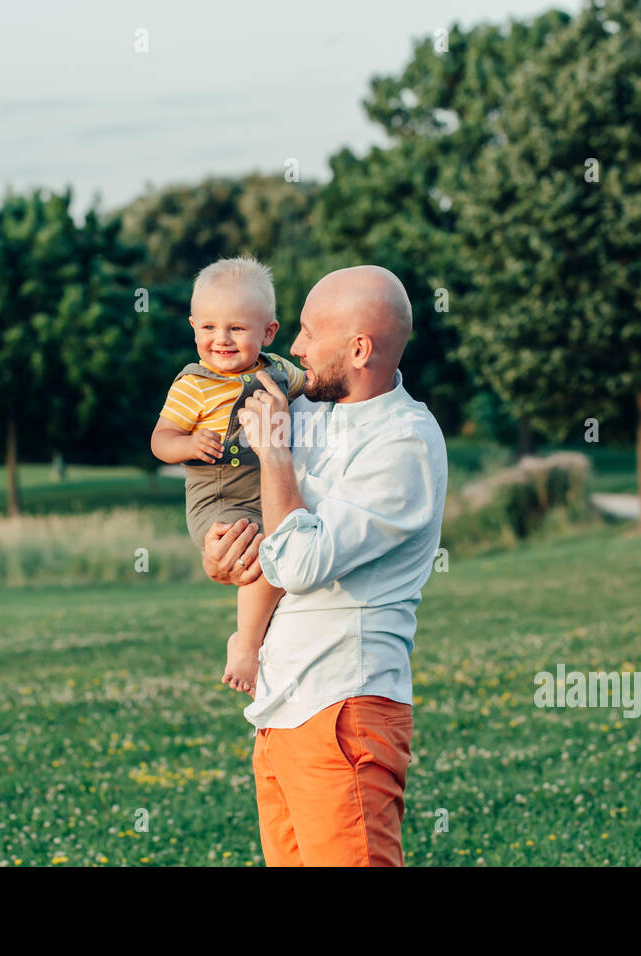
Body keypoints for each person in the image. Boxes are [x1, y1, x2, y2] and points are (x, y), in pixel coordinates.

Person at [203, 265, 448, 867]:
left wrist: (275, 456)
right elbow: (258, 531)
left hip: (345, 709)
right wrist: (221, 553)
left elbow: (301, 562)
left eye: (310, 333)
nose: (296, 347)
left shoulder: (406, 444)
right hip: (281, 709)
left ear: (359, 348)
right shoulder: (311, 414)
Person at [150, 256, 304, 696]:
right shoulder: (193, 385)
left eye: (237, 328)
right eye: (209, 328)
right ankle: (245, 643)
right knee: (257, 549)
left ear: (268, 332)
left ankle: (261, 636)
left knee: (282, 543)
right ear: (193, 325)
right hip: (216, 499)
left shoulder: (279, 371)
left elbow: (314, 386)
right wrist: (188, 445)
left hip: (267, 492)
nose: (221, 340)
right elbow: (160, 440)